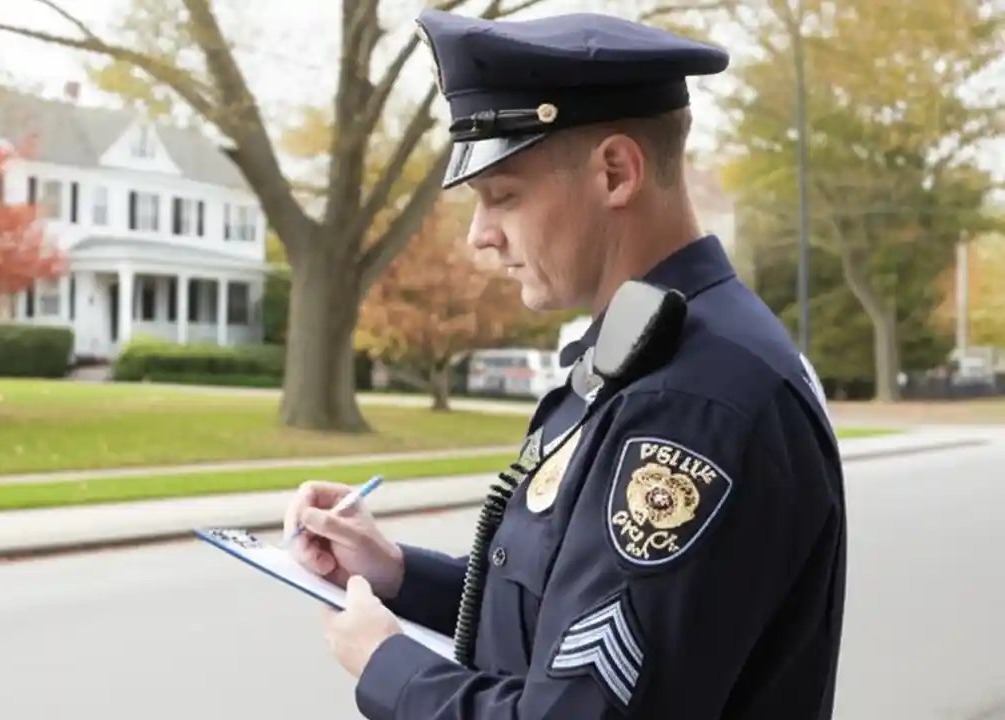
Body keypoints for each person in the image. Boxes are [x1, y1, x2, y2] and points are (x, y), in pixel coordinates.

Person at [283, 8, 846, 719]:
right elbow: (562, 617)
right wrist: (394, 572)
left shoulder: (696, 402)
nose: (480, 236)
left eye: (504, 196)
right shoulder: (647, 357)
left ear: (615, 172)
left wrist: (386, 665)